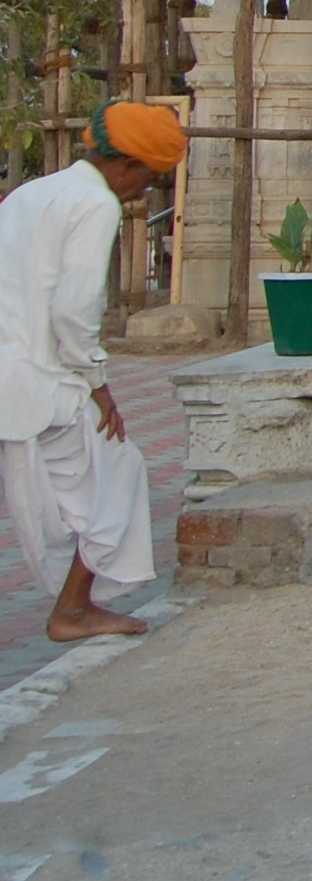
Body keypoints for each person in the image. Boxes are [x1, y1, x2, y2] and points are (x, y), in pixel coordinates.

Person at [0, 102, 185, 641]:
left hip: (18, 378)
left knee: (81, 492)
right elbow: (73, 312)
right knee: (119, 473)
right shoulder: (95, 205)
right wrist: (99, 385)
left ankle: (75, 605)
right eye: (147, 179)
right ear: (126, 165)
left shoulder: (31, 194)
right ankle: (73, 610)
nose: (143, 192)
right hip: (43, 382)